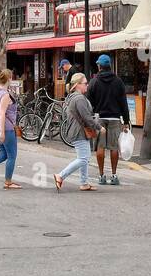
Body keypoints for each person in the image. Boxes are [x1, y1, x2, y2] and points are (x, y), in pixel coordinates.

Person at [54, 72, 104, 191]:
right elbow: (86, 117)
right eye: (85, 83)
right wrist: (99, 127)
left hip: (77, 130)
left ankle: (84, 183)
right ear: (77, 85)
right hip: (79, 131)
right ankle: (60, 176)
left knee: (83, 157)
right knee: (84, 158)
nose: (87, 85)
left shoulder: (73, 97)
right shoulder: (79, 98)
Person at [86, 54, 130, 185]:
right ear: (109, 65)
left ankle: (101, 175)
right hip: (115, 118)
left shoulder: (94, 81)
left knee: (100, 146)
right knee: (114, 147)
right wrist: (126, 121)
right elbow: (123, 102)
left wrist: (90, 118)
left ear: (99, 66)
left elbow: (89, 102)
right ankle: (114, 175)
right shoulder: (118, 81)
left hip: (99, 118)